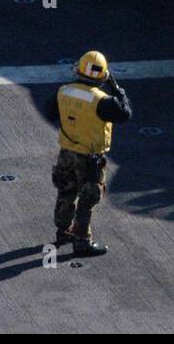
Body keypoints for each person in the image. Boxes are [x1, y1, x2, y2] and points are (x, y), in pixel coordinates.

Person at [52, 51, 131, 257]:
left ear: (78, 70)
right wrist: (118, 91)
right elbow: (125, 113)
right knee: (88, 199)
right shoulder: (103, 101)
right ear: (103, 76)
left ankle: (63, 230)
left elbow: (50, 111)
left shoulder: (63, 91)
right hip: (89, 158)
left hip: (67, 153)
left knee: (66, 191)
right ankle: (82, 241)